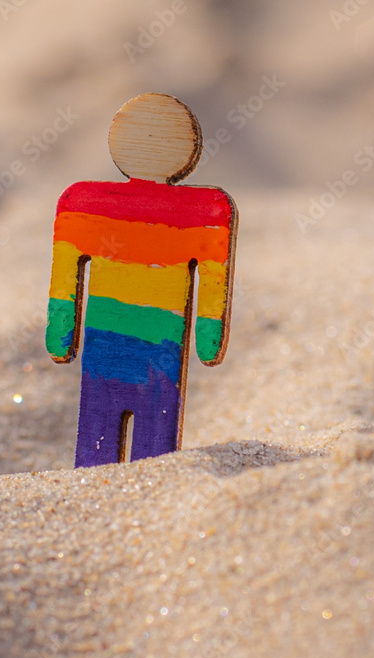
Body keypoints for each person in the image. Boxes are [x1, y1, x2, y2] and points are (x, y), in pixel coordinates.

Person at [46, 93, 238, 467]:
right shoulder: (205, 211)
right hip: (154, 352)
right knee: (146, 436)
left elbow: (63, 286)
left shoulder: (83, 202)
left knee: (101, 432)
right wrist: (208, 340)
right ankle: (140, 491)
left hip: (115, 350)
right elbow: (214, 284)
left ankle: (109, 492)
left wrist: (59, 336)